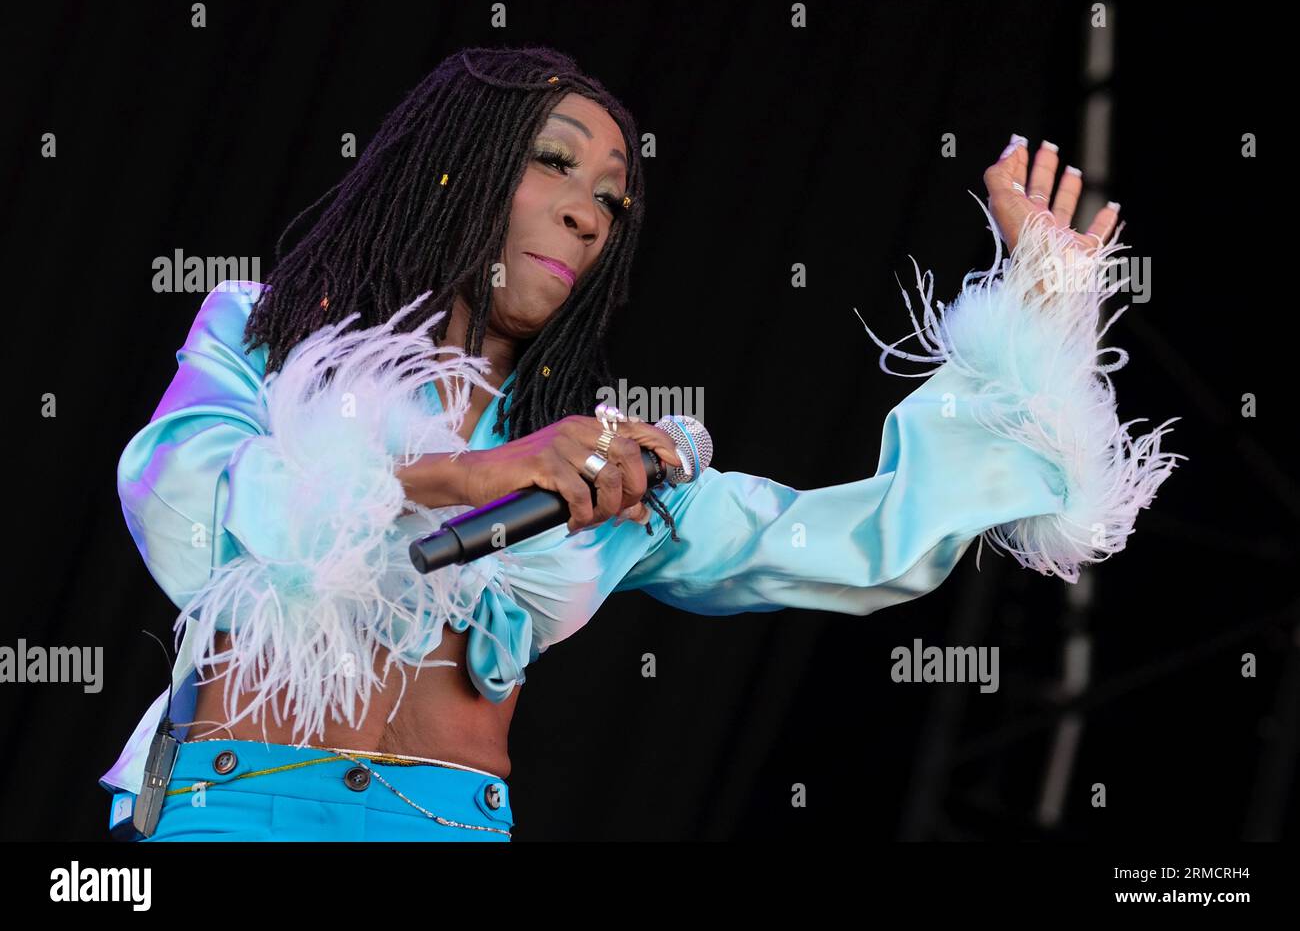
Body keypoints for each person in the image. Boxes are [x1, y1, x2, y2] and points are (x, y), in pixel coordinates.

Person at [100, 46, 1182, 842]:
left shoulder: (605, 462)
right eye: (553, 165)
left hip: (448, 821)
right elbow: (180, 488)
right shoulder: (269, 331)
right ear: (449, 166)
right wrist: (465, 475)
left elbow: (856, 541)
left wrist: (1035, 317)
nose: (586, 213)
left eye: (611, 199)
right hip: (229, 803)